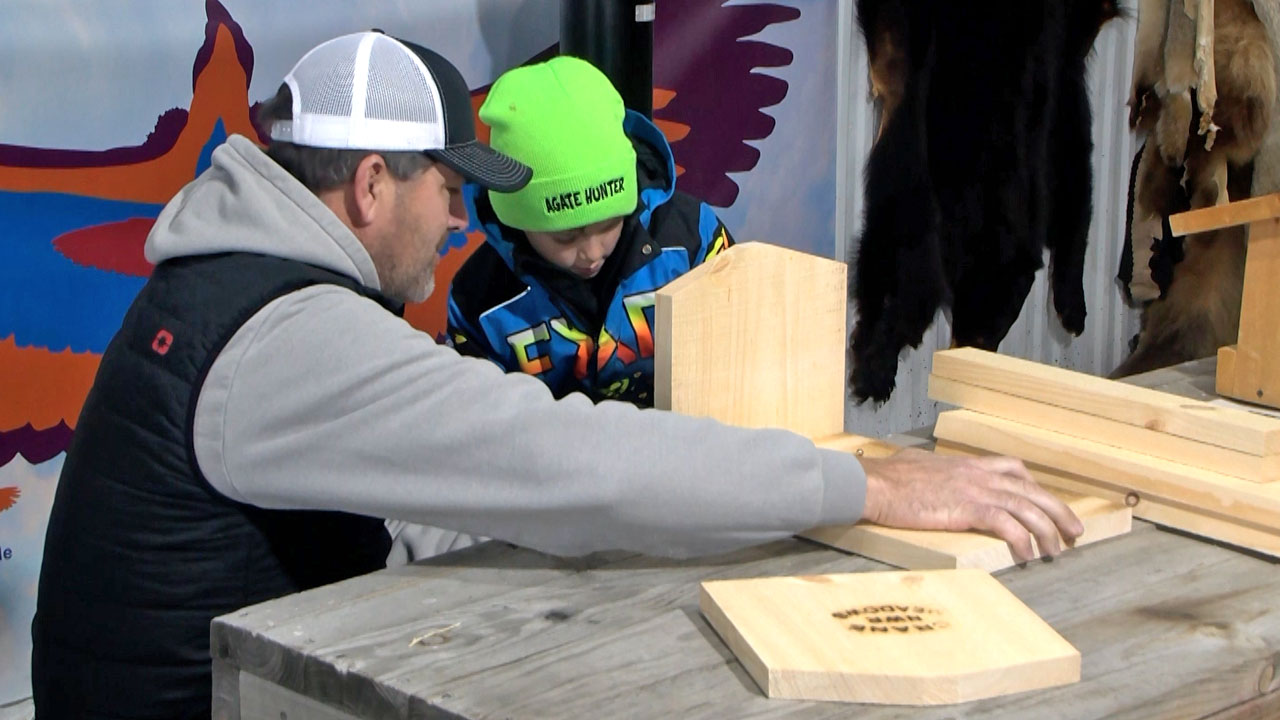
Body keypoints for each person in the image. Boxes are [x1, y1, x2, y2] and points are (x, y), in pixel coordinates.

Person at [31, 31, 1082, 720]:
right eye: (447, 189)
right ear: (370, 185)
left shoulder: (229, 285)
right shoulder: (291, 336)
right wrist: (868, 486)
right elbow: (568, 458)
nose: (460, 220)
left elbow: (447, 495)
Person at [446, 56, 732, 406]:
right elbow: (478, 421)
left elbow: (744, 354)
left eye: (610, 223)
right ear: (518, 221)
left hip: (686, 434)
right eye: (565, 236)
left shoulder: (693, 240)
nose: (592, 253)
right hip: (551, 443)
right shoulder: (478, 302)